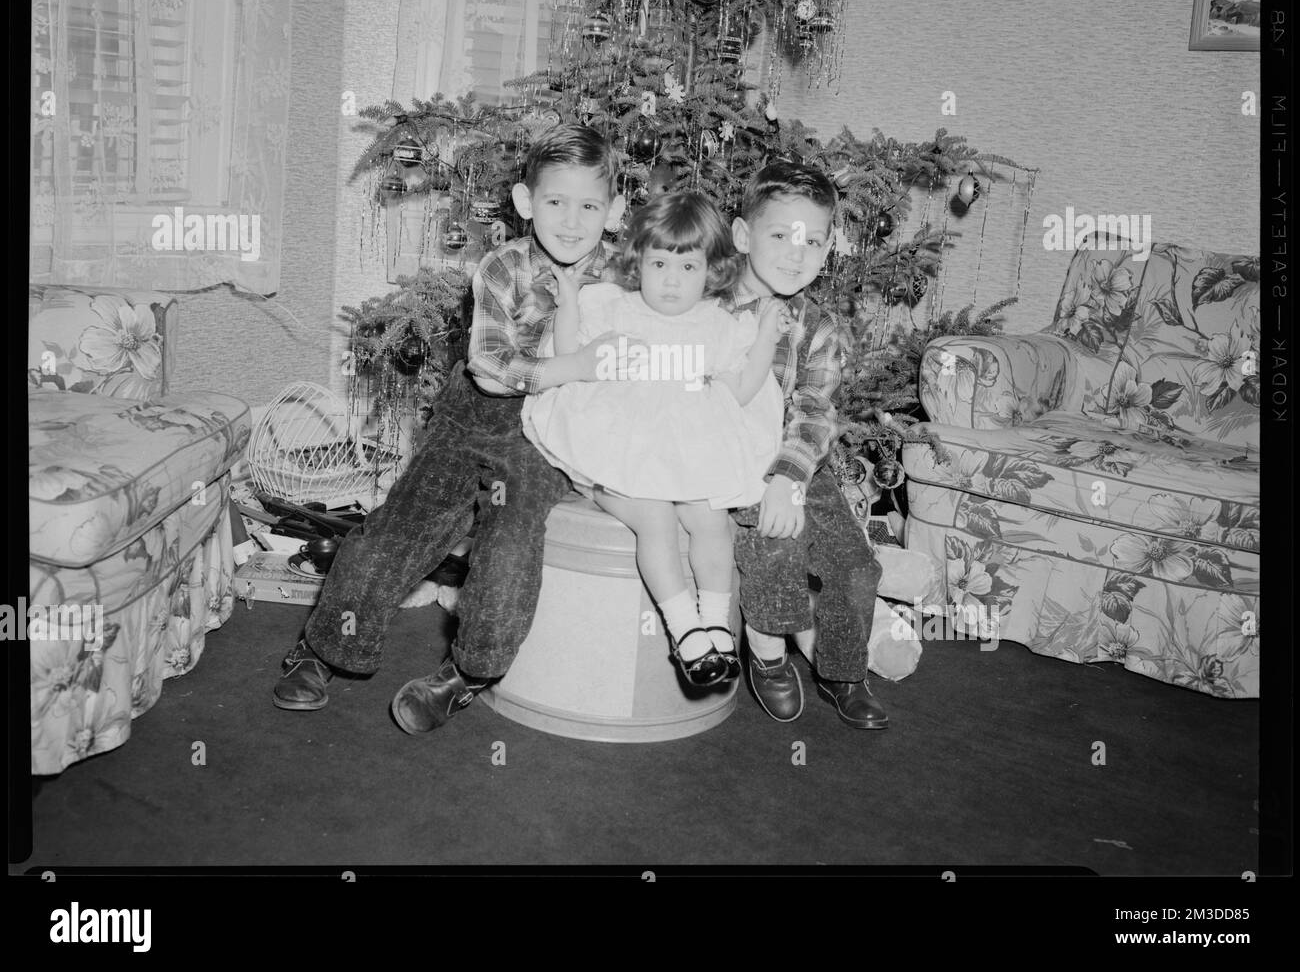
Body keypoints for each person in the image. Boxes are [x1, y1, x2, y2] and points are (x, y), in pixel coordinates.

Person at [272, 124, 633, 733]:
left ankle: (470, 671)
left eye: (590, 206)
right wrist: (568, 365)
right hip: (475, 414)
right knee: (402, 523)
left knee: (511, 542)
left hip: (546, 436)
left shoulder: (627, 277)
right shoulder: (502, 266)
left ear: (616, 211)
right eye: (555, 202)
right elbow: (491, 369)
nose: (572, 222)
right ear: (524, 203)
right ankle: (325, 646)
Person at [523, 191, 786, 684]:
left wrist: (767, 337)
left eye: (687, 268)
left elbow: (746, 389)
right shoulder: (617, 308)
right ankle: (685, 631)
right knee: (657, 519)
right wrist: (569, 303)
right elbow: (570, 356)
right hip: (621, 448)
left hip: (689, 452)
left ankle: (717, 625)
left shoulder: (716, 324)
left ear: (710, 271)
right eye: (659, 263)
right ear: (637, 261)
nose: (670, 280)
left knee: (710, 521)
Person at [729, 160, 889, 729]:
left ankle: (844, 670)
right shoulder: (709, 303)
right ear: (744, 235)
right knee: (778, 545)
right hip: (730, 457)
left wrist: (790, 477)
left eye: (812, 241)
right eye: (780, 235)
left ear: (826, 250)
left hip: (795, 461)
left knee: (855, 564)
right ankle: (768, 653)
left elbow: (815, 407)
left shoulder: (816, 324)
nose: (796, 254)